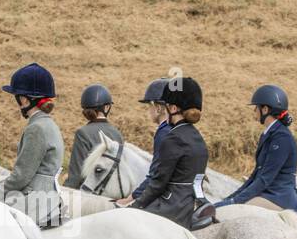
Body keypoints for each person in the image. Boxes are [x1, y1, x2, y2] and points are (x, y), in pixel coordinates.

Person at [127, 77, 210, 229]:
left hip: (173, 207)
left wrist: (134, 206)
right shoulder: (198, 137)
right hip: (195, 202)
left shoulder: (173, 138)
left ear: (172, 109)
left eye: (166, 107)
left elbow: (158, 183)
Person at [0, 63, 64, 228]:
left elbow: (21, 177)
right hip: (49, 199)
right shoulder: (50, 125)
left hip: (35, 203)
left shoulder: (36, 129)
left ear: (24, 99)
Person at [214, 84, 297, 212]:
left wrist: (236, 201)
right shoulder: (268, 134)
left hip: (279, 197)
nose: (254, 111)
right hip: (268, 193)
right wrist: (230, 198)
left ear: (265, 109)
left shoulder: (282, 138)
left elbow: (265, 178)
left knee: (238, 209)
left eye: (256, 107)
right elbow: (256, 175)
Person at [117, 78, 171, 207]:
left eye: (149, 107)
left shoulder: (163, 133)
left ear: (158, 108)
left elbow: (156, 176)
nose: (149, 111)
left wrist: (129, 199)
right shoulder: (178, 128)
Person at [64, 83, 123, 189]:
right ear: (107, 107)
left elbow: (77, 174)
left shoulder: (82, 133)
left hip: (89, 195)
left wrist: (64, 190)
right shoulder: (117, 134)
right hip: (113, 194)